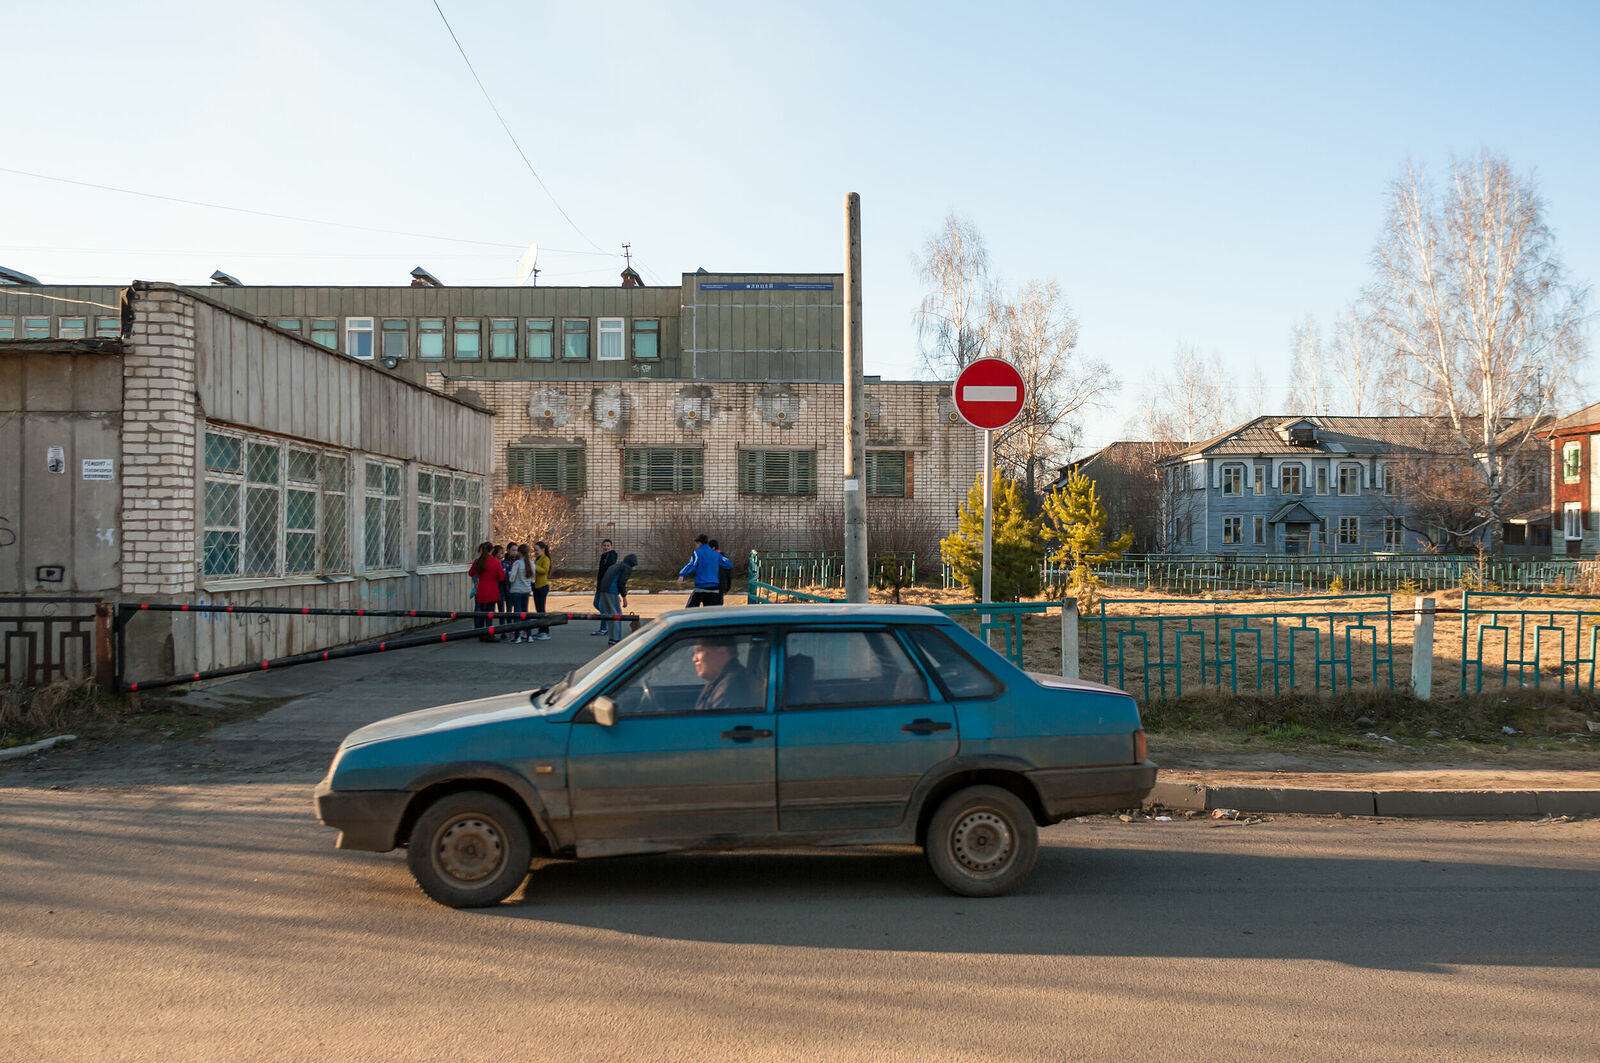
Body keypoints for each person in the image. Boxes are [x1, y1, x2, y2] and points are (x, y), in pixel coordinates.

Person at [691, 638, 764, 712]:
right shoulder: (718, 681)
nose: (694, 659)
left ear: (722, 651)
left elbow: (716, 719)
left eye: (700, 650)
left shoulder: (731, 685)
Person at [677, 533, 732, 607]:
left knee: (690, 610)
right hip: (714, 588)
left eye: (696, 544)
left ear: (699, 543)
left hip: (701, 587)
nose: (696, 546)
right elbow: (728, 564)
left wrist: (682, 575)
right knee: (711, 611)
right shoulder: (716, 554)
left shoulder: (697, 552)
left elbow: (692, 564)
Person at [467, 542, 504, 641]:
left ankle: (481, 633)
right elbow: (501, 577)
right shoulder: (496, 562)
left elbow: (471, 573)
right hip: (492, 589)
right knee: (489, 613)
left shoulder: (477, 561)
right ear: (492, 550)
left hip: (480, 589)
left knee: (480, 612)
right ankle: (489, 634)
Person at [597, 553, 636, 645]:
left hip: (603, 590)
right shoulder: (626, 567)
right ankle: (616, 639)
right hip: (611, 590)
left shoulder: (617, 565)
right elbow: (621, 583)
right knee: (617, 615)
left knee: (610, 615)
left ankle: (611, 638)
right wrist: (624, 597)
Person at [506, 544, 533, 643]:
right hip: (526, 590)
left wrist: (508, 574)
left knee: (517, 612)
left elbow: (512, 579)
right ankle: (529, 635)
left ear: (519, 553)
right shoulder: (531, 563)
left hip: (516, 590)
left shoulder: (517, 563)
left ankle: (517, 636)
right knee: (525, 612)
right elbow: (533, 580)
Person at [591, 539, 617, 635]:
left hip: (606, 586)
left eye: (608, 546)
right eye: (604, 545)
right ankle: (607, 618)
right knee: (596, 604)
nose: (606, 547)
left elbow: (611, 564)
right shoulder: (603, 556)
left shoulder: (612, 554)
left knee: (602, 607)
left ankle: (603, 629)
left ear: (611, 547)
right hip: (600, 585)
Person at [531, 540, 552, 641]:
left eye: (537, 550)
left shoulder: (545, 559)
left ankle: (545, 631)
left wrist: (534, 566)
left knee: (541, 610)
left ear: (543, 549)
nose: (535, 552)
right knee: (538, 610)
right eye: (534, 550)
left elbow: (544, 571)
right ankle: (541, 630)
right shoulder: (538, 559)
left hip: (542, 586)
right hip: (536, 586)